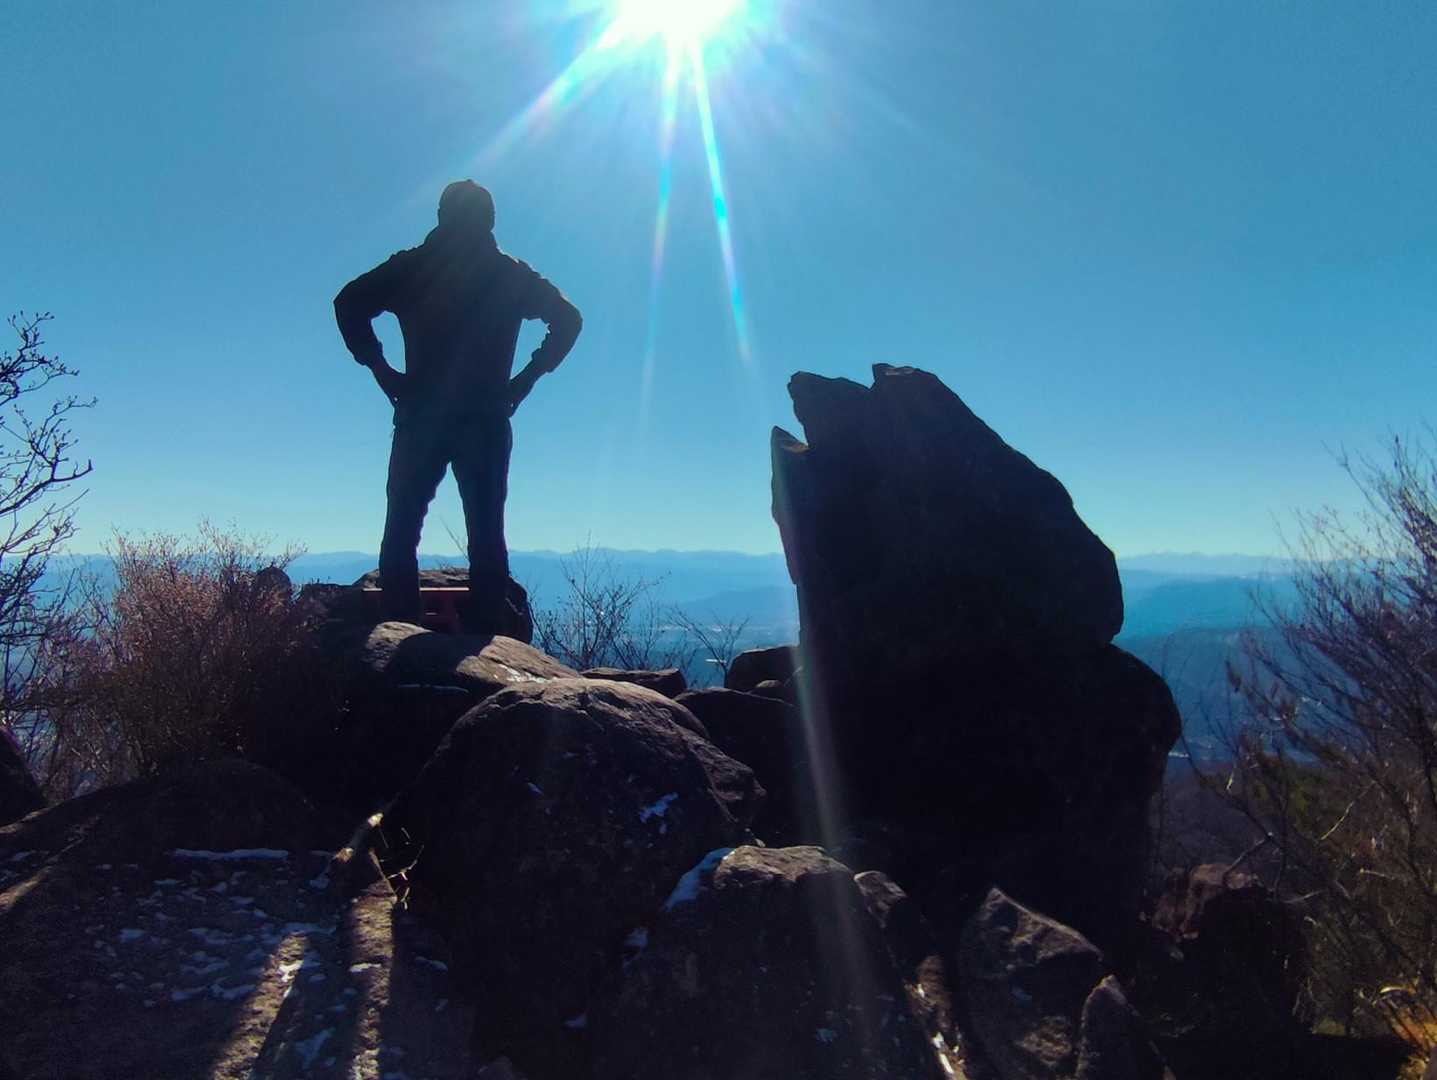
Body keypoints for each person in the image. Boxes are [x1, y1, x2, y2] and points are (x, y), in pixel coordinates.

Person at [334, 180, 582, 632]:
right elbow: (568, 319)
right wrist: (524, 381)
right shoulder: (507, 274)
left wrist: (382, 370)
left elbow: (349, 302)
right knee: (485, 529)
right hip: (485, 415)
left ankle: (400, 634)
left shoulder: (413, 267)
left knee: (404, 522)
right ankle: (487, 640)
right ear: (489, 220)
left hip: (421, 413)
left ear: (442, 216)